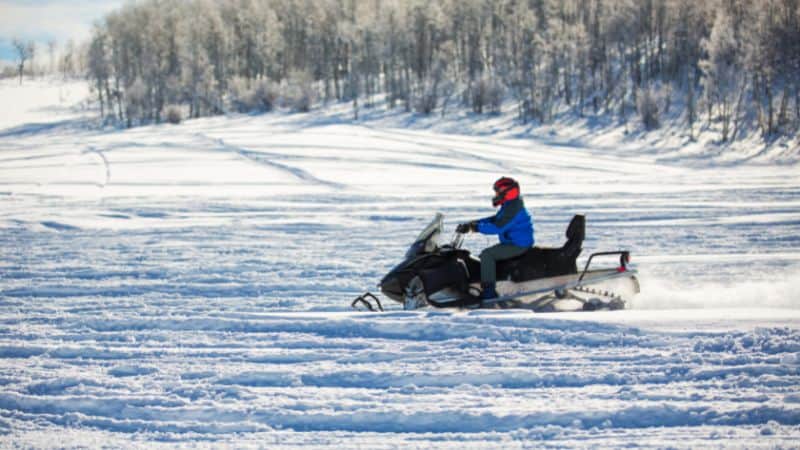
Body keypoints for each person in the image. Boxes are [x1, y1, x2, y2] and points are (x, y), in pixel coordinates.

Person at [457, 177, 534, 300]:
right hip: (513, 242)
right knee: (482, 258)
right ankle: (491, 282)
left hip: (518, 244)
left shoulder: (513, 208)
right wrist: (474, 223)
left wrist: (476, 228)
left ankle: (489, 292)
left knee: (487, 255)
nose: (496, 195)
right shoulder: (511, 205)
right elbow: (495, 219)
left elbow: (498, 227)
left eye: (497, 192)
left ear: (506, 192)